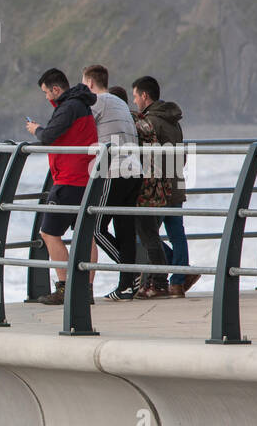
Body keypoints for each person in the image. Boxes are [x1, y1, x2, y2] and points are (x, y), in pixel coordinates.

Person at [25, 68, 98, 305]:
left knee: (49, 233)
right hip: (86, 178)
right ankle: (86, 290)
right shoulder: (82, 104)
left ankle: (65, 288)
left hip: (69, 179)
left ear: (56, 89)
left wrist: (36, 129)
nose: (47, 97)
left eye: (47, 92)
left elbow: (48, 137)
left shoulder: (68, 107)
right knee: (85, 236)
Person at [81, 65, 142, 301]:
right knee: (124, 229)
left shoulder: (97, 101)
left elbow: (80, 126)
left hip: (113, 171)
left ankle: (131, 270)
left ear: (89, 84)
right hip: (134, 171)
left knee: (95, 228)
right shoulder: (119, 103)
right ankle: (126, 286)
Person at [131, 76, 191, 299]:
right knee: (176, 233)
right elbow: (181, 154)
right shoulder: (173, 120)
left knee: (146, 236)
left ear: (145, 96)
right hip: (176, 182)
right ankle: (179, 280)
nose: (135, 101)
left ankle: (173, 277)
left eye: (136, 96)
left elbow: (148, 158)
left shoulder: (150, 122)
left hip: (158, 187)